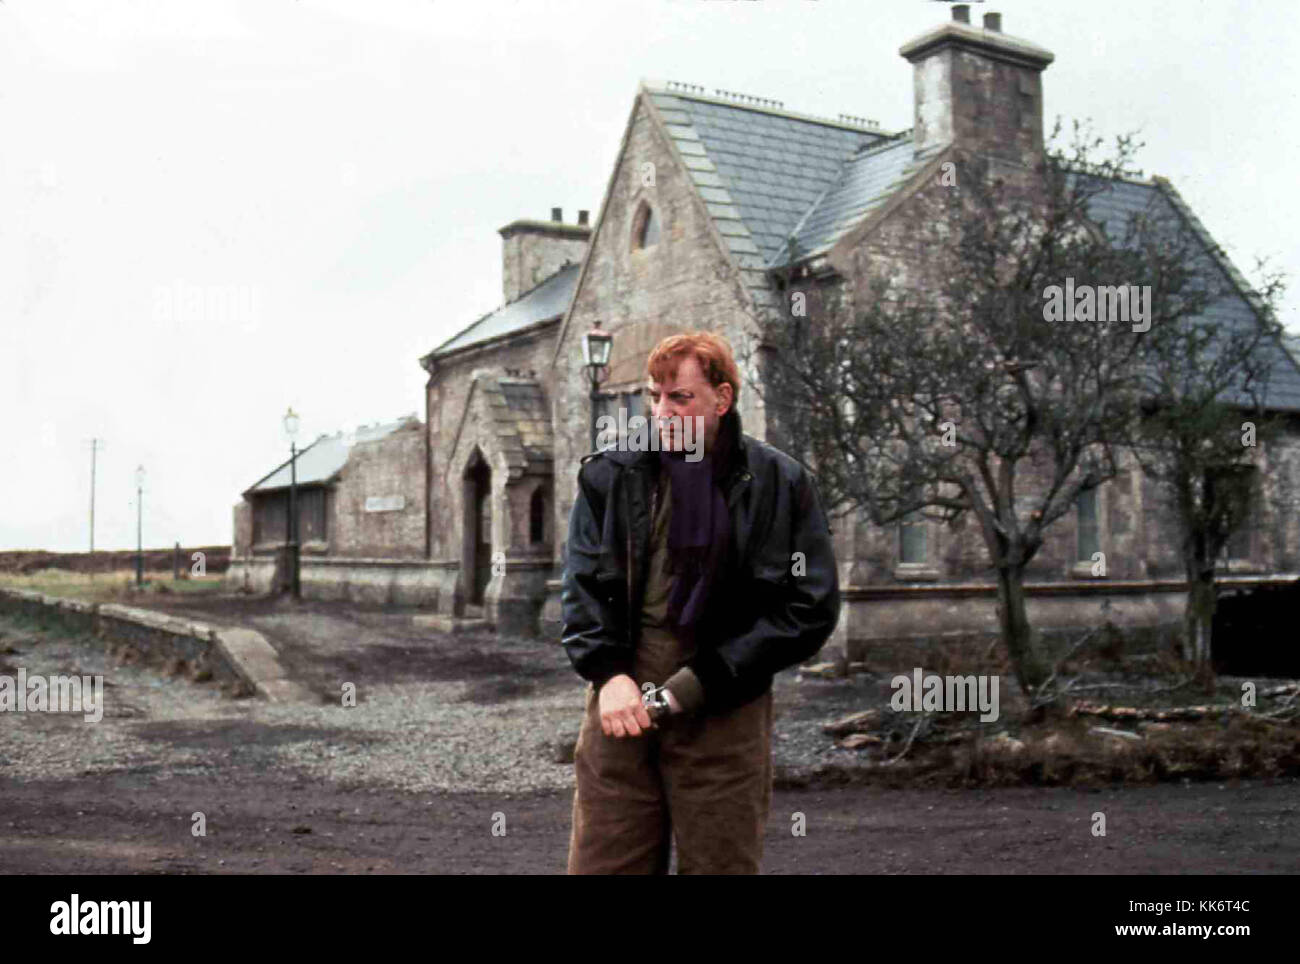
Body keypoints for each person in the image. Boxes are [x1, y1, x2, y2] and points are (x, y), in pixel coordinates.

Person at [561, 330, 841, 874]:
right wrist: (608, 672)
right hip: (622, 704)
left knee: (719, 865)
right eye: (655, 396)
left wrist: (699, 683)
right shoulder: (611, 475)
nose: (663, 411)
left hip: (724, 703)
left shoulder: (781, 485)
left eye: (680, 397)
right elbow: (583, 587)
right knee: (604, 863)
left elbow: (808, 608)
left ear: (722, 398)